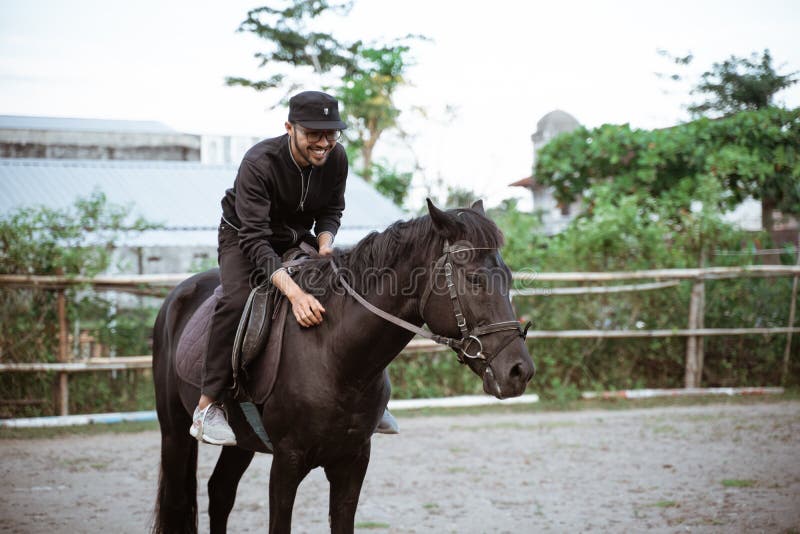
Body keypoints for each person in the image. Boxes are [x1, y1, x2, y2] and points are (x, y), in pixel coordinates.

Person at [190, 90, 398, 446]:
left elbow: (332, 210)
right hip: (244, 236)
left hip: (295, 237)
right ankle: (208, 406)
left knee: (343, 289)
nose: (323, 142)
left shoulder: (337, 158)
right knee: (238, 300)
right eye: (313, 134)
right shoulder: (259, 162)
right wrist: (295, 292)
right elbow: (255, 240)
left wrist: (325, 247)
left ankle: (367, 400)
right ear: (290, 128)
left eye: (331, 134)